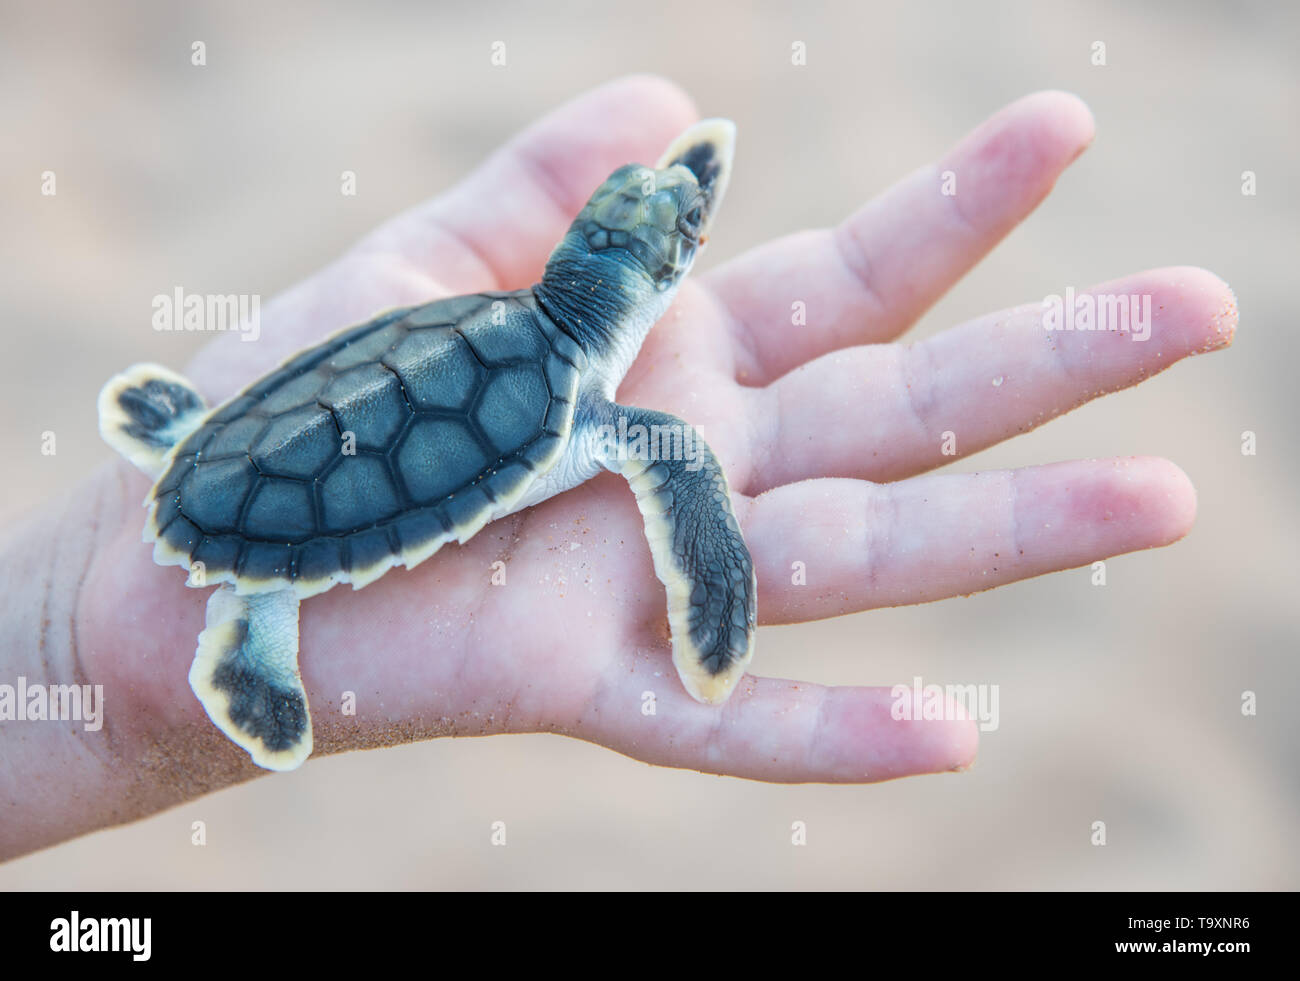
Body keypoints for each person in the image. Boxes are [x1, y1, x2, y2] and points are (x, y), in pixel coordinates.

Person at [0, 76, 1235, 861]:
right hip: (326, 484)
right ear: (658, 274)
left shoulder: (491, 313)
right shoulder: (601, 416)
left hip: (261, 430)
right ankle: (255, 623)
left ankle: (192, 450)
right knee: (679, 464)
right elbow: (680, 460)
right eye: (677, 232)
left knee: (369, 400)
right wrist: (714, 583)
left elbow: (377, 368)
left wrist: (60, 645)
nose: (687, 221)